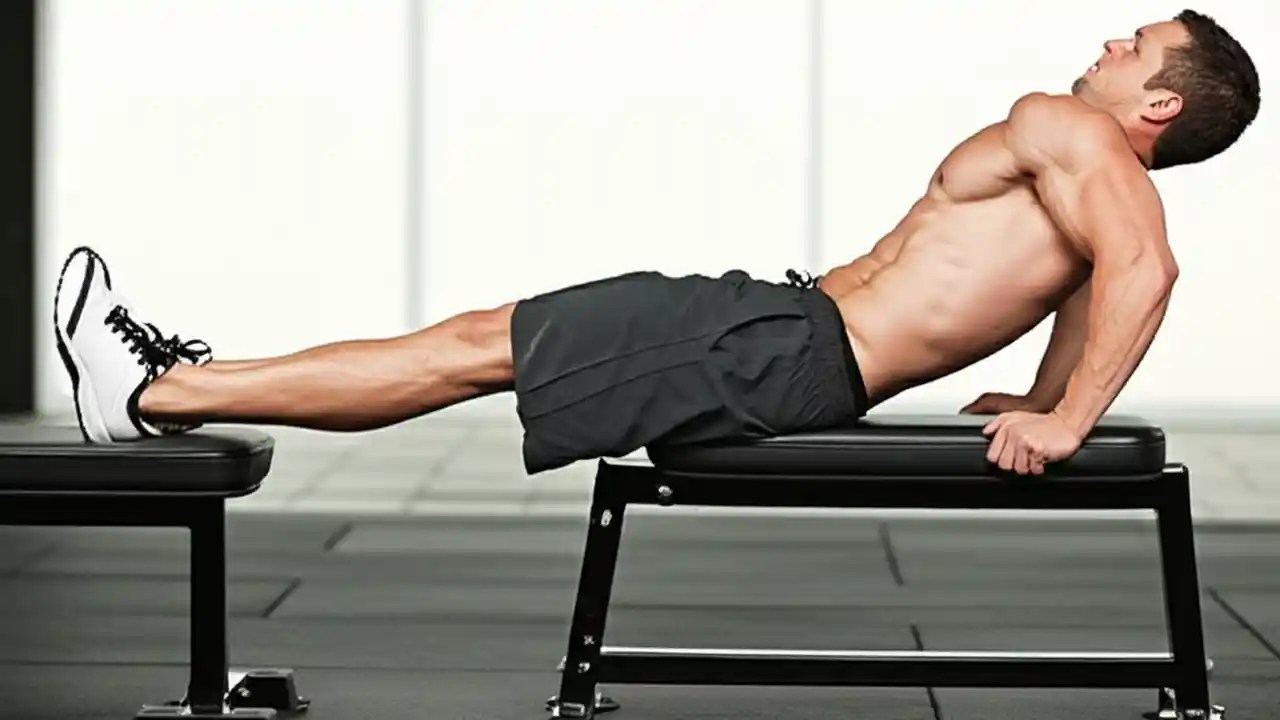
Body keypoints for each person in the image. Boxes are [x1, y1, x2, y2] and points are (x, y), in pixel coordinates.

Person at [54, 10, 1259, 477]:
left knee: (477, 348)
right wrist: (1042, 397)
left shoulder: (1071, 134)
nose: (1112, 38)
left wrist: (1065, 421)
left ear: (1157, 102)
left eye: (1138, 44)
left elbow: (1142, 274)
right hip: (784, 336)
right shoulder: (1095, 186)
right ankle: (171, 388)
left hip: (783, 347)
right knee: (482, 342)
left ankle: (157, 392)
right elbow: (1097, 281)